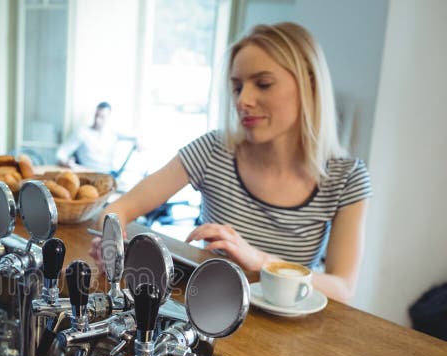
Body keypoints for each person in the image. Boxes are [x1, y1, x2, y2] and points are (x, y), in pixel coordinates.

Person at [93, 22, 371, 303]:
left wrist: (259, 259)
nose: (243, 100)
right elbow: (118, 209)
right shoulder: (214, 150)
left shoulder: (346, 177)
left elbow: (343, 289)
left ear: (309, 84)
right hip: (208, 312)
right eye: (237, 88)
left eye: (263, 84)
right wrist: (111, 245)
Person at [56, 101, 137, 174]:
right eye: (96, 116)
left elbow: (135, 137)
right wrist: (66, 163)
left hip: (108, 174)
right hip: (87, 174)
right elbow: (61, 153)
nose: (97, 120)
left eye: (102, 117)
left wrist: (138, 141)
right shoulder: (82, 132)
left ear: (109, 117)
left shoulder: (113, 133)